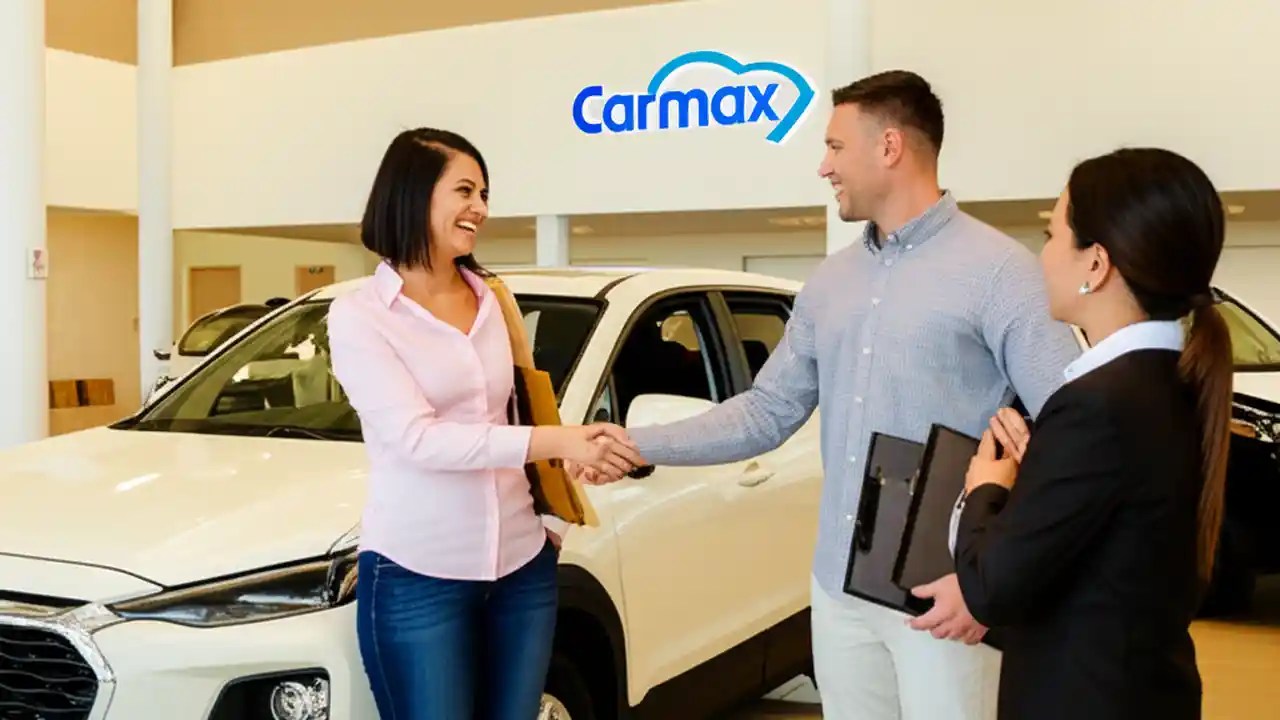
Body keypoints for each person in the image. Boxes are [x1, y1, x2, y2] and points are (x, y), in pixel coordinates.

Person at [579, 70, 1082, 720]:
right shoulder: (829, 282)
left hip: (947, 592)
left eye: (836, 147)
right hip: (838, 591)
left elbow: (1071, 431)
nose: (823, 166)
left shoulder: (999, 272)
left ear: (890, 147)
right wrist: (628, 443)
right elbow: (765, 412)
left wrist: (996, 577)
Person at [326, 127, 640, 720]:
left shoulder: (494, 298)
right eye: (465, 191)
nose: (481, 209)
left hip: (523, 566)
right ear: (414, 195)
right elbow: (416, 438)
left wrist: (551, 519)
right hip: (420, 575)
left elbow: (519, 410)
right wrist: (558, 439)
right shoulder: (360, 316)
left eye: (485, 194)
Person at [952, 147, 1231, 720]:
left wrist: (988, 487)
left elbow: (992, 589)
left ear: (1096, 263)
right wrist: (1042, 485)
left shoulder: (1096, 407)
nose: (1044, 255)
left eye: (1052, 234)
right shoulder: (1169, 385)